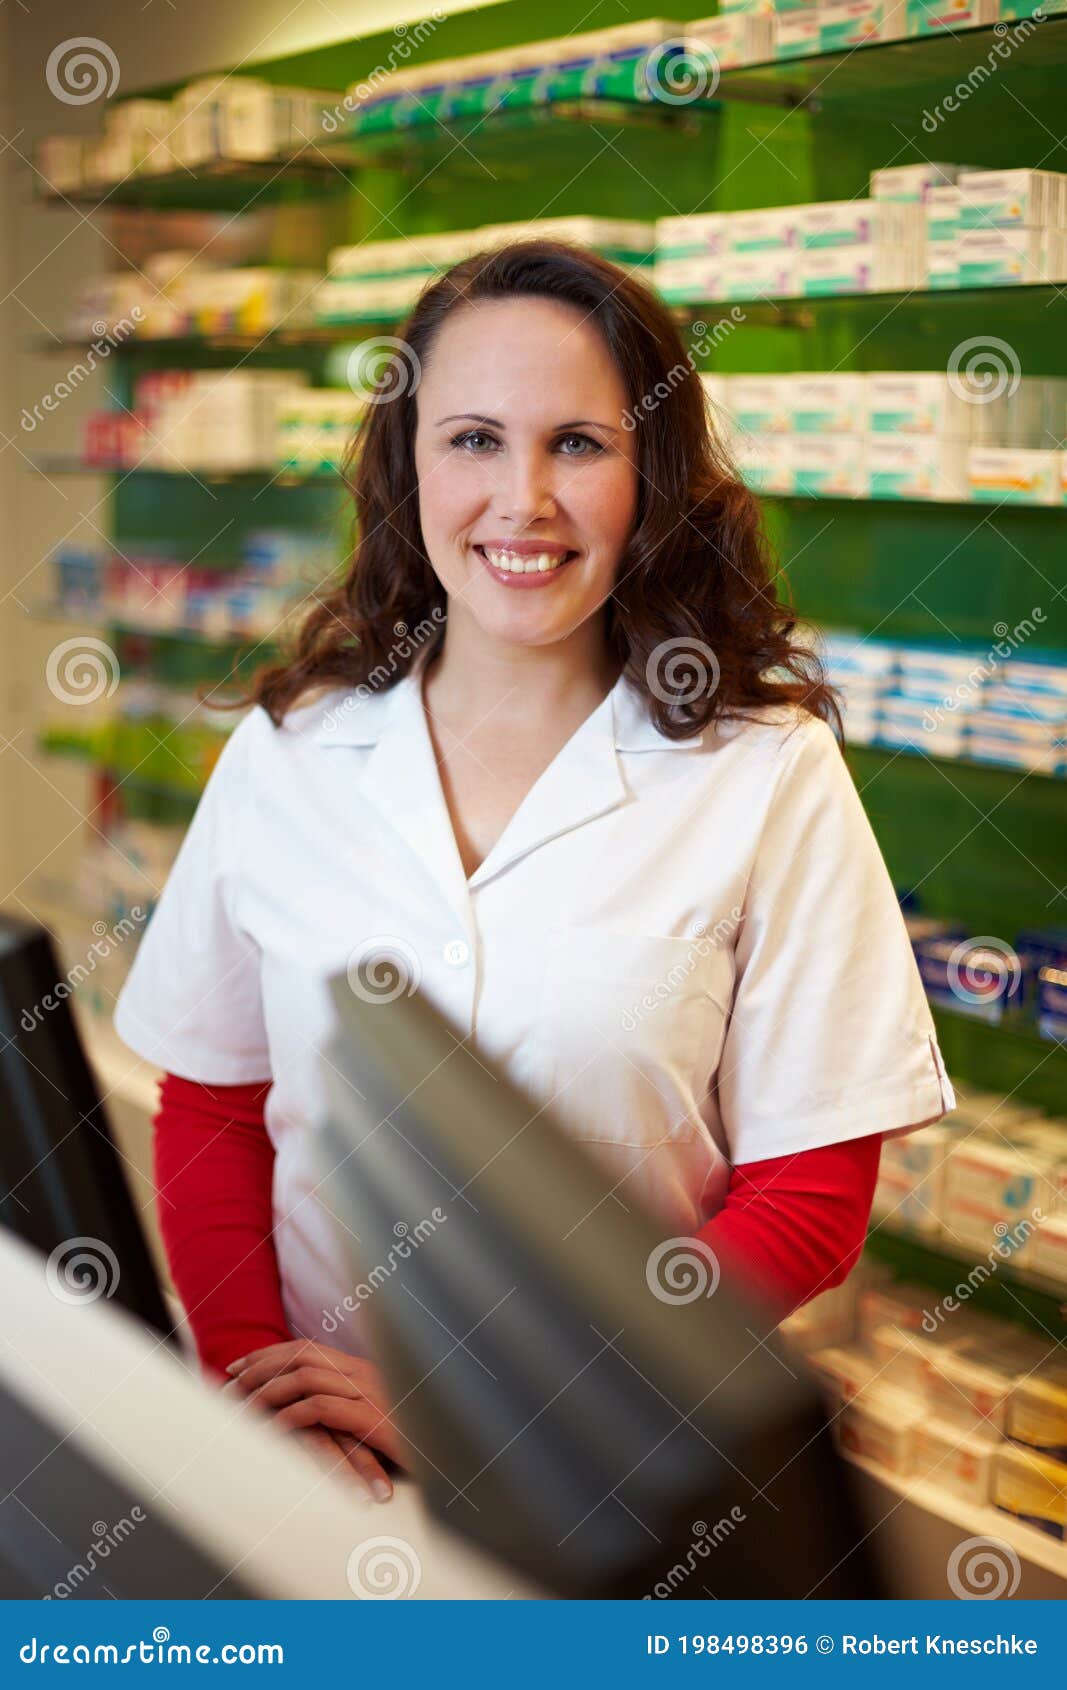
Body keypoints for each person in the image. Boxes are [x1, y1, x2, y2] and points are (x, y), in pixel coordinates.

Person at [113, 240, 953, 1504]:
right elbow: (220, 1104)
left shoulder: (762, 771)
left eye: (577, 443)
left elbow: (809, 1191)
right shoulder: (291, 753)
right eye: (470, 440)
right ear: (405, 465)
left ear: (650, 474)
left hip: (615, 1473)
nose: (523, 500)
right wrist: (264, 1389)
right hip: (313, 1475)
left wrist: (525, 1397)